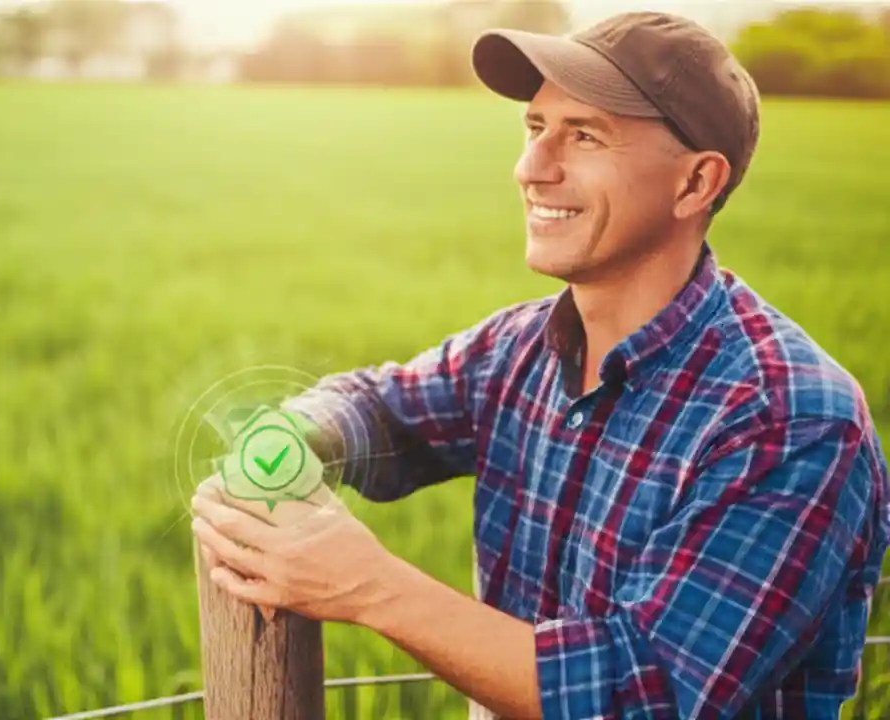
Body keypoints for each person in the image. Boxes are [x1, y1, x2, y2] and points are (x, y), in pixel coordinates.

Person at [189, 11, 890, 719]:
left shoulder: (791, 420)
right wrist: (301, 432)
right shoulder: (519, 348)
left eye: (584, 135)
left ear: (694, 184)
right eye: (534, 128)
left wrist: (368, 585)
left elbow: (644, 693)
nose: (532, 168)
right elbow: (383, 407)